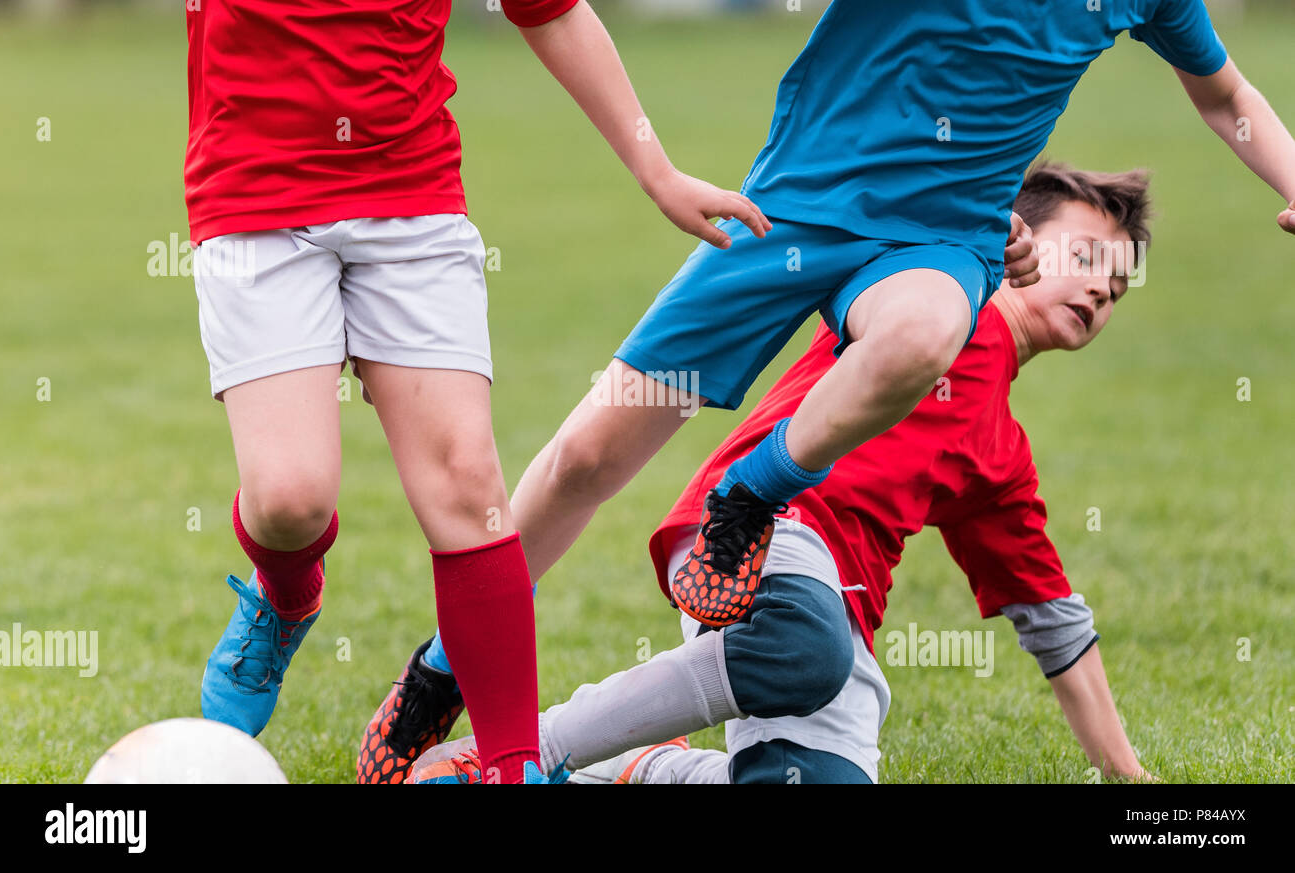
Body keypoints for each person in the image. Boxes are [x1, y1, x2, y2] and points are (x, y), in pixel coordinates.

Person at [500, 0, 1295, 632]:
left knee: (922, 334)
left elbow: (1227, 98)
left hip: (942, 241)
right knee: (587, 457)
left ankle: (748, 498)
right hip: (794, 207)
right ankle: (445, 667)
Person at [409, 162, 1159, 784]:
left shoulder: (1002, 456)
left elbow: (1055, 622)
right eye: (1086, 258)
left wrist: (1128, 776)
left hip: (839, 628)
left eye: (1118, 287)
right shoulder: (924, 305)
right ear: (1021, 238)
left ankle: (643, 770)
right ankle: (515, 754)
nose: (1101, 289)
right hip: (755, 533)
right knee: (804, 645)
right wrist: (966, 219)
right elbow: (889, 204)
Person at [185, 0, 769, 786]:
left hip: (409, 196)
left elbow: (551, 12)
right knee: (291, 499)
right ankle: (285, 594)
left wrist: (655, 170)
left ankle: (512, 765)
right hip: (255, 197)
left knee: (467, 484)